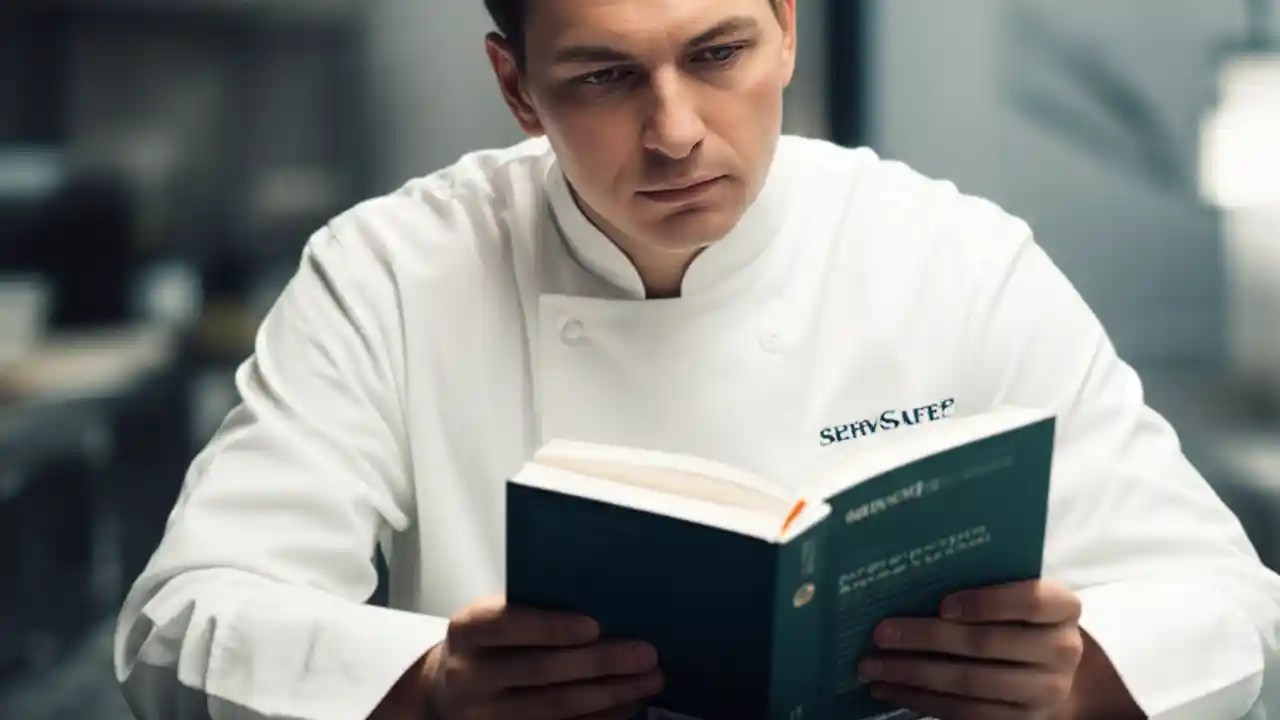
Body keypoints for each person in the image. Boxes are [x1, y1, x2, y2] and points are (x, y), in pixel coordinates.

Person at [114, 0, 1280, 718]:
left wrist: (1073, 684)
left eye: (716, 52)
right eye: (604, 77)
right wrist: (428, 690)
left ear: (782, 26)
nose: (674, 131)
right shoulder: (390, 271)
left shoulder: (955, 257)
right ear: (516, 87)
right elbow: (179, 622)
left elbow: (1234, 609)